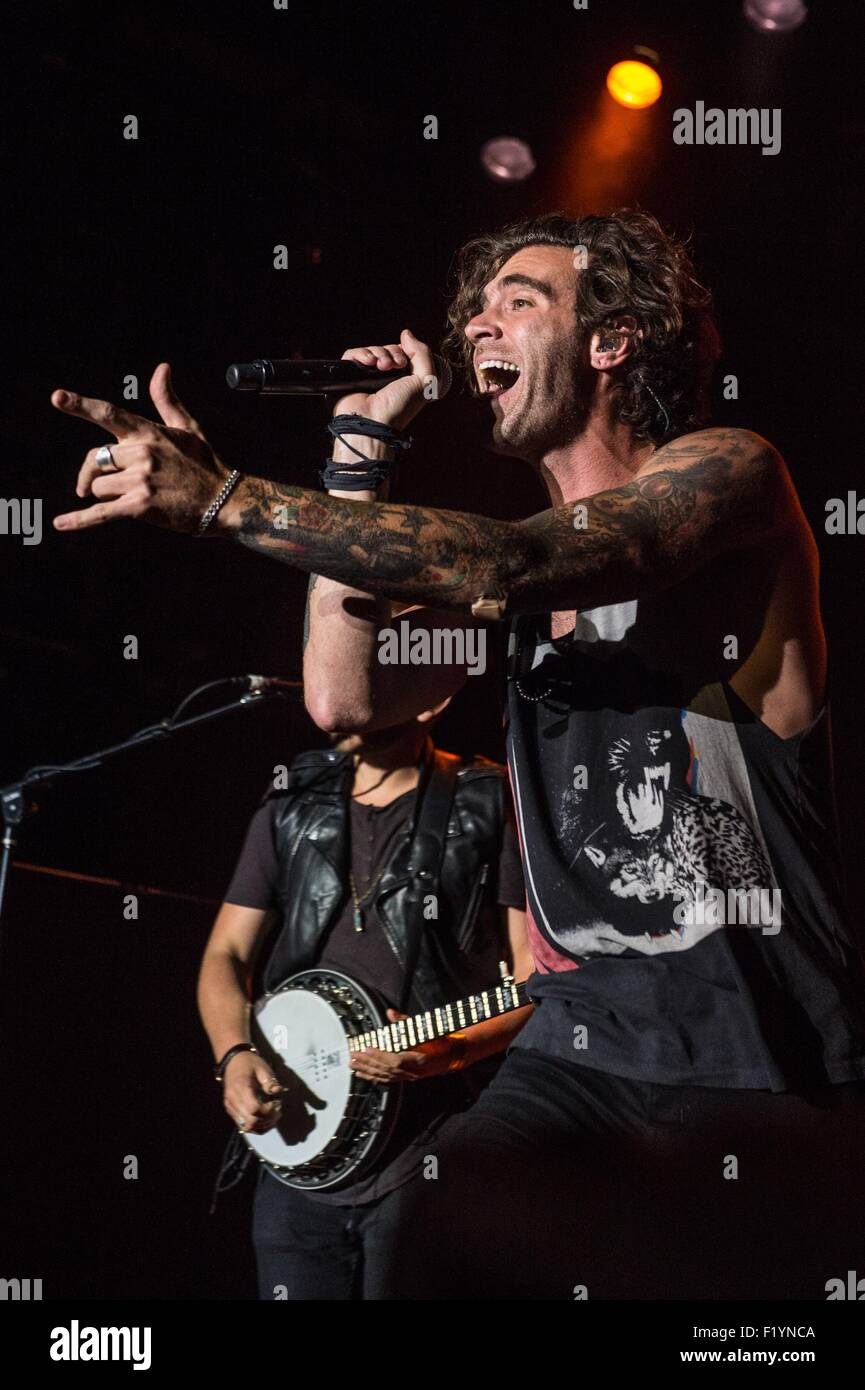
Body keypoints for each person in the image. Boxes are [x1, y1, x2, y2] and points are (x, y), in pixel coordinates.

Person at [52, 209, 865, 1297]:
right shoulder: (514, 610)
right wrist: (358, 446)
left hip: (758, 1055)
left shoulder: (729, 478)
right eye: (472, 308)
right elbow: (342, 700)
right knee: (448, 1244)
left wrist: (226, 502)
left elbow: (519, 559)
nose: (475, 322)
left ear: (612, 340)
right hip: (580, 1046)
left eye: (516, 301)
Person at [196, 702, 531, 1301]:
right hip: (296, 1155)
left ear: (429, 701)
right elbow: (226, 954)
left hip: (427, 1150)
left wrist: (448, 1055)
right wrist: (233, 1054)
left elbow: (535, 983)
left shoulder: (490, 799)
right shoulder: (294, 798)